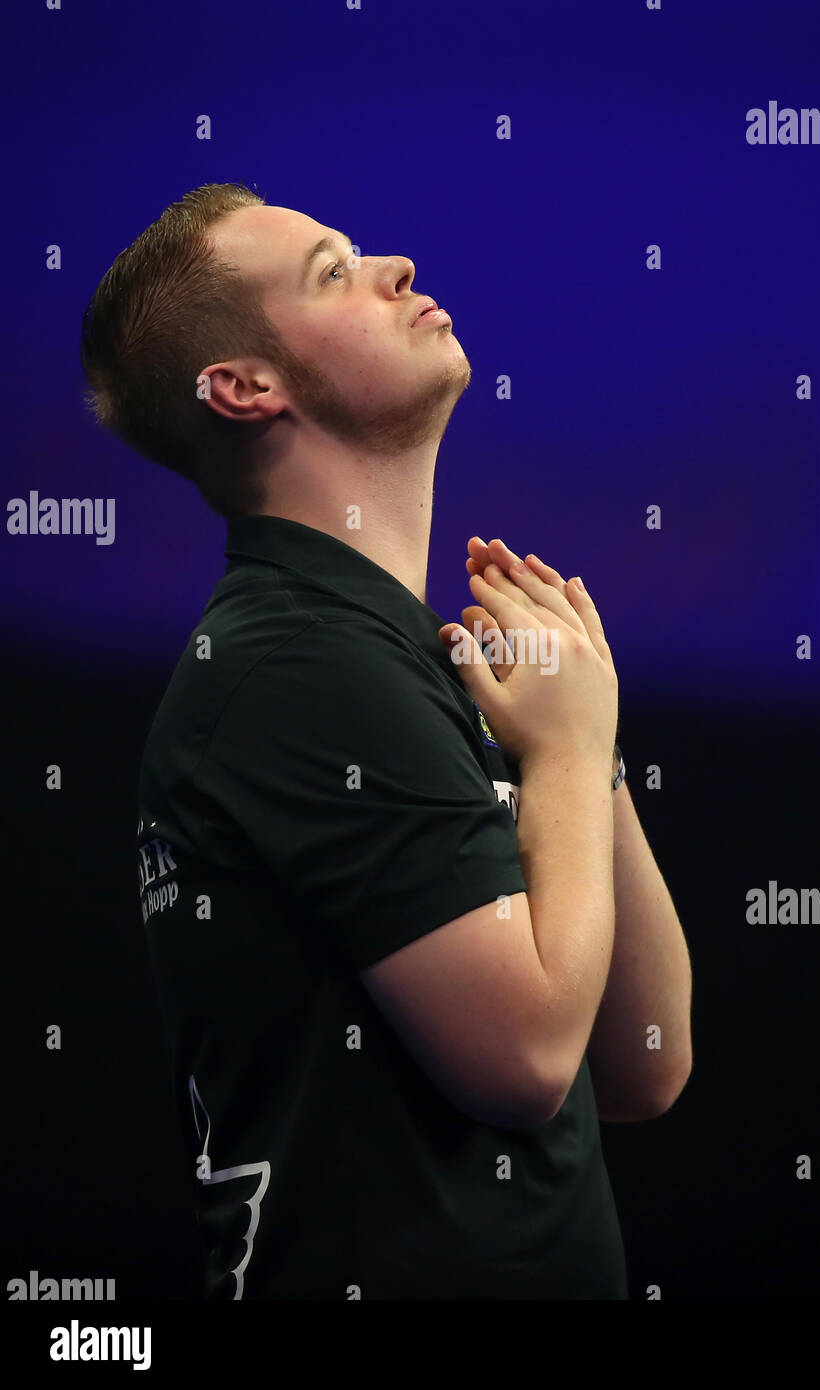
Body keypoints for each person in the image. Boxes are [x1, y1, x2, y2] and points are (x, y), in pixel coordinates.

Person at [80, 182, 693, 1299]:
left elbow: (645, 1060)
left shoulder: (401, 655)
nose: (395, 267)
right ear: (244, 387)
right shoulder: (294, 671)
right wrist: (560, 754)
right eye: (332, 270)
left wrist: (586, 746)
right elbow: (525, 1058)